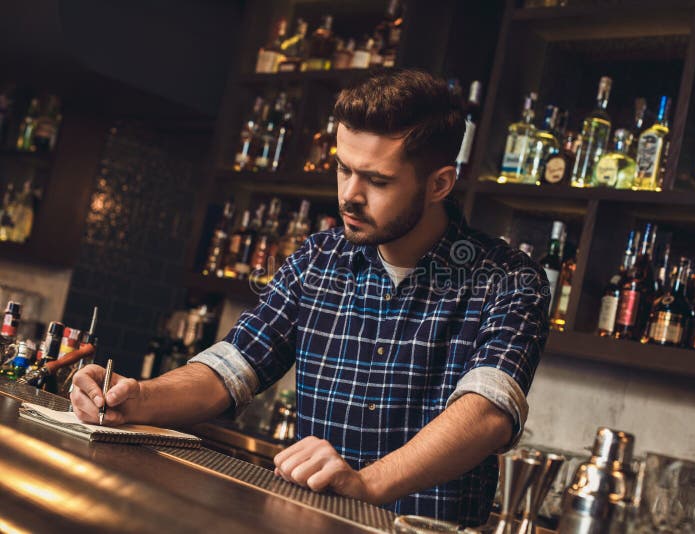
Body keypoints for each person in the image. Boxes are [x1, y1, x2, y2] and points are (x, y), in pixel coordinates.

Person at [71, 68, 550, 526]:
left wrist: (365, 484)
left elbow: (488, 412)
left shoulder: (507, 279)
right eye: (344, 169)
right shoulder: (319, 258)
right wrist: (138, 399)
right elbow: (233, 366)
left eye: (377, 180)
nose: (349, 195)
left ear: (439, 183)